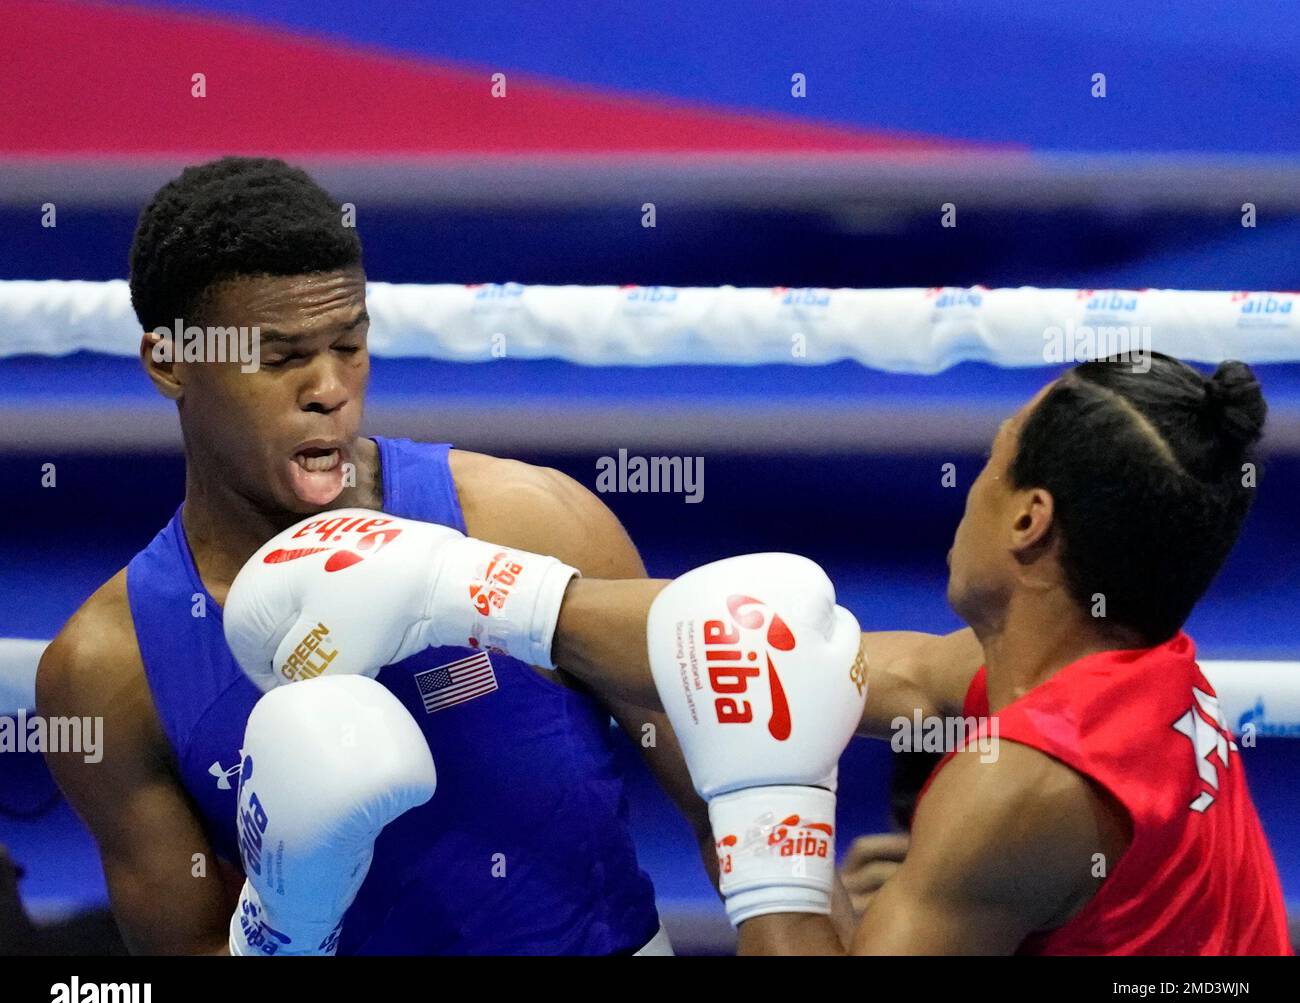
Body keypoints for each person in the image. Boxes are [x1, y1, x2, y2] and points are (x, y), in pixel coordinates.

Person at [231, 353, 1289, 954]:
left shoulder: (1021, 788)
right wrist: (468, 589)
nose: (967, 482)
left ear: (1029, 521)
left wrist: (770, 835)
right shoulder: (1126, 665)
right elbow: (766, 649)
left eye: (991, 461)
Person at [37, 156, 717, 956]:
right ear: (169, 361)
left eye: (348, 346)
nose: (329, 387)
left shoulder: (526, 522)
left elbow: (736, 807)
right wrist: (284, 921)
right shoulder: (112, 667)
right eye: (282, 357)